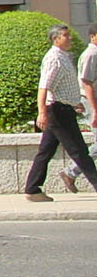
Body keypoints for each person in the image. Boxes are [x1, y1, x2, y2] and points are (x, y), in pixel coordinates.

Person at [24, 24, 97, 201]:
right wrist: (42, 113)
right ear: (56, 39)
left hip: (62, 109)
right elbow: (44, 87)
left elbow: (62, 87)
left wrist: (74, 103)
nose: (70, 38)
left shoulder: (63, 57)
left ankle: (33, 189)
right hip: (57, 111)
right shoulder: (54, 59)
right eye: (65, 35)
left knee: (46, 151)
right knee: (79, 151)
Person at [60, 24, 97, 193]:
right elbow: (87, 83)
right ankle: (70, 172)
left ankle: (71, 172)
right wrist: (94, 110)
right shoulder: (91, 55)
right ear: (93, 37)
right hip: (92, 101)